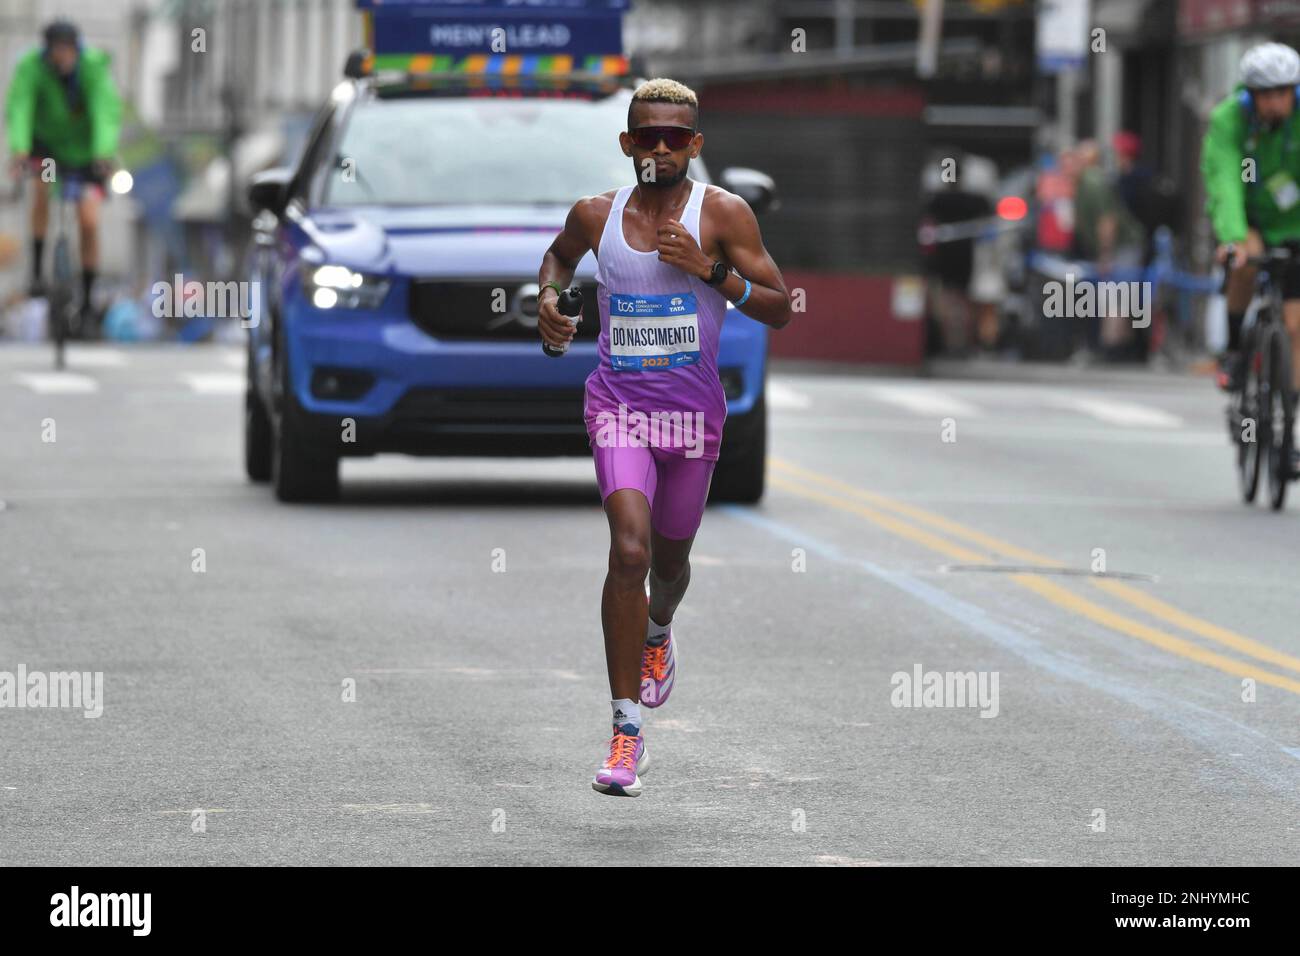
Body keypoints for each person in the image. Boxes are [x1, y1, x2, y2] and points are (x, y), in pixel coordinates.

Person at [538, 78, 791, 797]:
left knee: (670, 566)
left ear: (695, 145)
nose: (659, 147)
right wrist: (549, 304)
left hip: (690, 420)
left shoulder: (725, 215)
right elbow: (557, 260)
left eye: (674, 137)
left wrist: (712, 273)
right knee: (630, 548)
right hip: (618, 407)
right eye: (646, 135)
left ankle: (659, 631)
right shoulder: (596, 216)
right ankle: (625, 733)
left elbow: (780, 308)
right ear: (627, 143)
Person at [5, 18, 122, 332]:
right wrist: (19, 149)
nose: (63, 57)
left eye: (68, 50)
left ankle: (86, 296)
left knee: (88, 221)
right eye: (57, 50)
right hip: (48, 149)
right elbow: (21, 107)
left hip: (86, 154)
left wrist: (102, 152)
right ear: (47, 51)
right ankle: (38, 270)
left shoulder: (94, 67)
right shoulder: (31, 68)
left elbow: (105, 110)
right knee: (41, 189)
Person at [1201, 42, 1300, 396]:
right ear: (1251, 94)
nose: (1275, 102)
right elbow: (1226, 181)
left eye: (1283, 92)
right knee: (1244, 261)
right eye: (1265, 94)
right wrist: (1231, 237)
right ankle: (1233, 351)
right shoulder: (1229, 120)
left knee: (1296, 325)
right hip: (1249, 218)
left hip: (1294, 223)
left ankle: (1289, 425)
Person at [1071, 139, 1147, 363]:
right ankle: (1120, 348)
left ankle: (1113, 350)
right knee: (1115, 296)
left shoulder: (1093, 182)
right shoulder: (1084, 182)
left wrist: (1105, 254)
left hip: (1122, 245)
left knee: (1115, 296)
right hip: (1118, 246)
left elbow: (1107, 221)